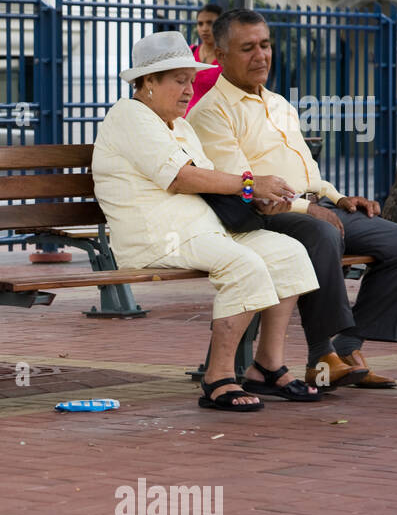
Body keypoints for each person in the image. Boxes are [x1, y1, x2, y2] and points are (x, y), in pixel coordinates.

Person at [188, 9, 397, 389]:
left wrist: (339, 197)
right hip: (260, 215)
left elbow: (307, 171)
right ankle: (321, 353)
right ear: (220, 55)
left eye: (265, 45)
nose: (261, 56)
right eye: (247, 48)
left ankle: (347, 347)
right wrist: (308, 207)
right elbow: (246, 188)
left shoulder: (280, 103)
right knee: (322, 233)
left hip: (311, 207)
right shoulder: (212, 112)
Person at [92, 31, 321, 411]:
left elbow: (213, 182)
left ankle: (267, 366)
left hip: (202, 229)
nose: (188, 89)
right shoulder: (129, 116)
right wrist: (251, 182)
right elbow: (181, 177)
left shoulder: (179, 126)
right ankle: (218, 377)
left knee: (289, 252)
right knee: (243, 265)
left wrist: (257, 197)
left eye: (190, 80)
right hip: (157, 237)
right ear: (148, 82)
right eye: (179, 80)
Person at [186, 2, 223, 114]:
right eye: (200, 24)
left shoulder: (227, 57)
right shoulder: (189, 51)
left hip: (213, 120)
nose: (204, 28)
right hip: (184, 121)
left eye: (210, 23)